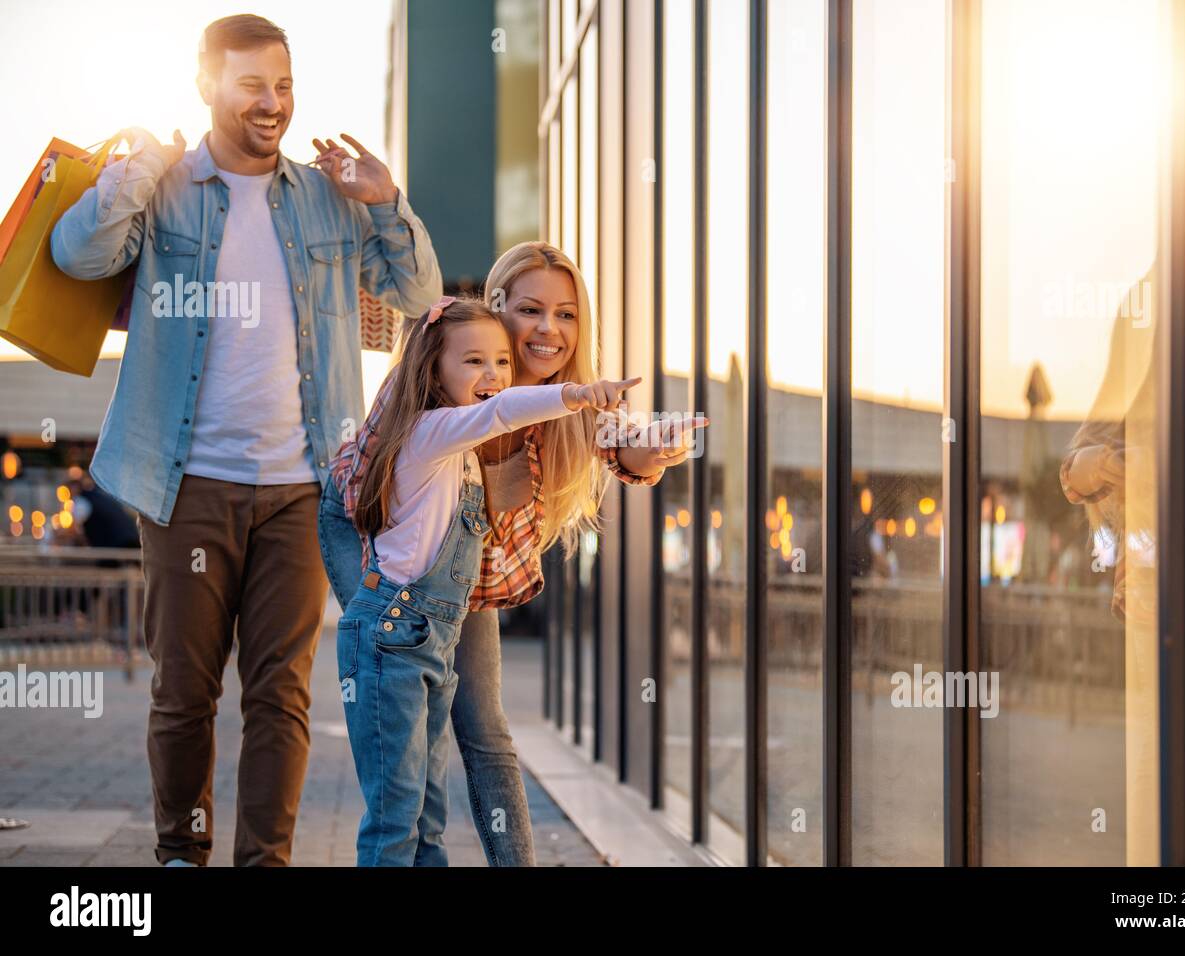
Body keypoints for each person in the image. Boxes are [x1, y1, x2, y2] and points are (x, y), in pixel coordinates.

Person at [50, 14, 441, 866]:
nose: (273, 103)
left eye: (285, 85)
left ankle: (266, 862)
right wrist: (142, 166)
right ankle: (180, 854)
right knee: (184, 693)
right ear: (207, 86)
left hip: (304, 490)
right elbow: (76, 254)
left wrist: (386, 199)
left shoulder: (328, 197)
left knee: (281, 693)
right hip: (186, 485)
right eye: (252, 84)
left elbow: (416, 294)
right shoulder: (165, 187)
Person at [319, 241, 704, 865]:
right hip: (381, 557)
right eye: (531, 310)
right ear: (497, 307)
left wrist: (653, 448)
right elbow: (359, 480)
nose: (549, 329)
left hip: (465, 578)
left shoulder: (570, 400)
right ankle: (399, 838)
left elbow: (622, 443)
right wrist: (381, 580)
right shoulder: (443, 378)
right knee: (401, 717)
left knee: (483, 728)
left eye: (567, 314)